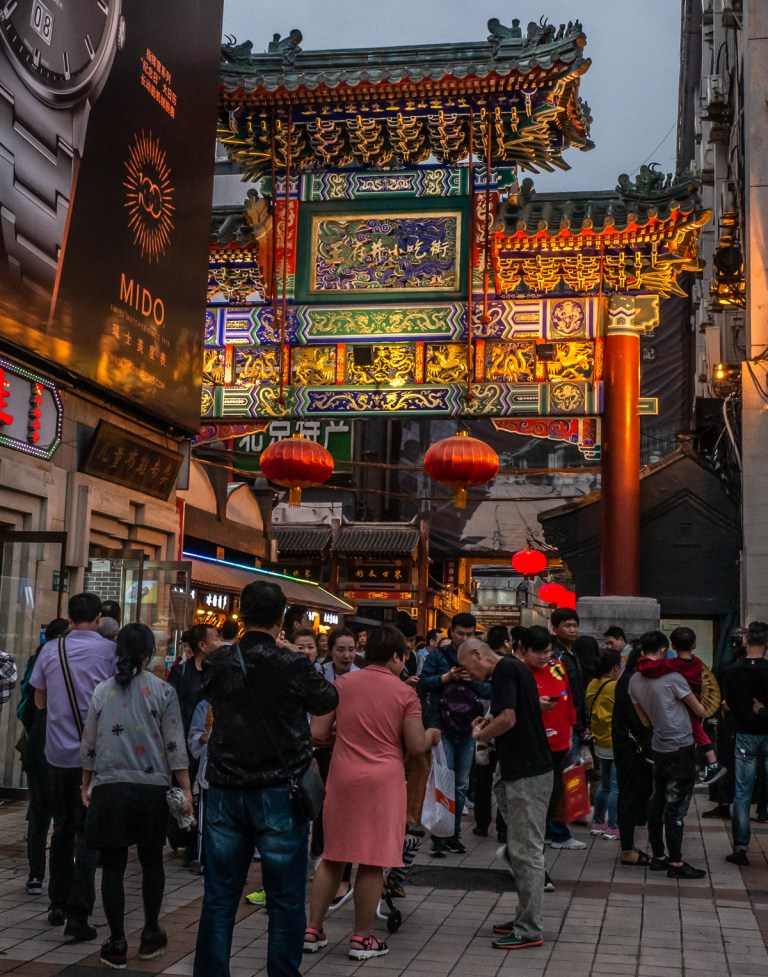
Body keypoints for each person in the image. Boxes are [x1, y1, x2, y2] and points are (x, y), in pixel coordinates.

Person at [193, 581, 338, 977]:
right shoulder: (291, 663)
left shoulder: (219, 661)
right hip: (279, 789)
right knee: (286, 898)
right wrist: (294, 658)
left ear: (241, 614)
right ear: (281, 618)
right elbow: (327, 699)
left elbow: (207, 693)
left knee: (220, 896)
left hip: (225, 787)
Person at [305, 626, 438, 961]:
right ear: (395, 656)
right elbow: (416, 745)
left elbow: (317, 731)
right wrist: (433, 735)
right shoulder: (405, 693)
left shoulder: (342, 684)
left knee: (333, 855)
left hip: (343, 778)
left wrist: (342, 731)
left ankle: (313, 930)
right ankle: (361, 938)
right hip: (383, 782)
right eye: (403, 657)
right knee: (372, 860)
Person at [80, 623, 192, 969]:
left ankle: (116, 942)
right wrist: (186, 788)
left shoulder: (102, 691)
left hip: (109, 788)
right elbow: (174, 744)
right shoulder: (163, 691)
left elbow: (89, 744)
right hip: (151, 789)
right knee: (151, 860)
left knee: (113, 867)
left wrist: (85, 783)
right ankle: (151, 931)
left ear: (119, 652)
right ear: (148, 654)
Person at [30, 592, 116, 940]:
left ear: (69, 617)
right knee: (88, 834)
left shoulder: (51, 650)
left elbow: (39, 701)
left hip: (56, 756)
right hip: (94, 758)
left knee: (62, 827)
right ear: (97, 618)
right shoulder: (110, 652)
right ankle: (79, 914)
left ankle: (57, 902)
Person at [459, 638, 553, 951]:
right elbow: (515, 715)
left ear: (477, 654)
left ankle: (529, 928)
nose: (469, 675)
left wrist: (480, 735)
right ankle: (524, 918)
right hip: (528, 769)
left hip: (528, 771)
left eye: (467, 667)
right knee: (521, 848)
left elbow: (509, 719)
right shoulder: (513, 667)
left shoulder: (504, 670)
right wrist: (490, 722)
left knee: (526, 851)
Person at [629, 630, 707, 879]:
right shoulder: (673, 678)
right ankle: (676, 862)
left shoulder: (634, 680)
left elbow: (644, 721)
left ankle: (659, 857)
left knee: (657, 802)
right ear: (664, 650)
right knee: (676, 807)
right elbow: (700, 710)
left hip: (659, 745)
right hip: (681, 746)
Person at [420, 612, 489, 854]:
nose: (465, 638)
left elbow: (489, 689)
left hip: (468, 727)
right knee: (444, 781)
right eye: (460, 634)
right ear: (451, 632)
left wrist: (472, 680)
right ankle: (440, 835)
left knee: (460, 784)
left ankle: (454, 833)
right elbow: (423, 683)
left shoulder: (480, 658)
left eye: (470, 634)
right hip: (442, 726)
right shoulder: (438, 656)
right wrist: (446, 677)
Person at [520, 625, 585, 851]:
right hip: (534, 742)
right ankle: (544, 833)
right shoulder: (519, 672)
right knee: (538, 792)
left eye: (547, 651)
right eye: (537, 652)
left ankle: (556, 832)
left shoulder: (557, 666)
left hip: (561, 738)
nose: (543, 657)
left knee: (560, 789)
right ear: (524, 649)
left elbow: (568, 699)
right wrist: (534, 705)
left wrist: (570, 730)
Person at [636, 626, 725, 788]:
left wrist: (641, 660)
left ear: (673, 646)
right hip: (694, 699)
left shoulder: (673, 665)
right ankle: (711, 763)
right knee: (697, 731)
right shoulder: (697, 663)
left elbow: (649, 669)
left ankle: (713, 764)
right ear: (694, 645)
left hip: (685, 703)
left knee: (697, 732)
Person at [18, 618, 69, 895]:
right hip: (59, 751)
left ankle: (36, 875)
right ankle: (53, 877)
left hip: (40, 748)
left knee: (39, 816)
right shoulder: (63, 666)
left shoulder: (39, 661)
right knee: (59, 815)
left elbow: (26, 711)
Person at [168, 622, 222, 873]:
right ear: (202, 645)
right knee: (185, 792)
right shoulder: (181, 672)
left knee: (205, 795)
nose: (220, 642)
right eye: (215, 638)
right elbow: (173, 709)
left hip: (210, 745)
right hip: (185, 742)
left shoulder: (220, 671)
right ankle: (187, 839)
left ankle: (197, 846)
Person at [722, 620, 768, 865]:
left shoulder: (733, 671)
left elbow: (730, 702)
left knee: (742, 792)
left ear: (745, 641)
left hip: (745, 733)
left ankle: (740, 848)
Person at [612, 644, 653, 866]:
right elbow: (639, 721)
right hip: (631, 749)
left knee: (631, 795)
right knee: (627, 796)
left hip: (629, 748)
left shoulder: (628, 679)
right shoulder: (631, 682)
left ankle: (629, 846)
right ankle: (627, 849)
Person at [586, 650, 621, 840]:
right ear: (615, 667)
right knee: (616, 787)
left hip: (599, 740)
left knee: (604, 784)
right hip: (614, 740)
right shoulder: (615, 686)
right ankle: (613, 827)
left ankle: (598, 823)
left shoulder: (593, 683)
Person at [550, 608, 587, 762]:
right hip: (565, 728)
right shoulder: (555, 657)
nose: (572, 630)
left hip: (577, 725)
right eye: (567, 626)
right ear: (555, 629)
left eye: (575, 625)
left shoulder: (572, 654)